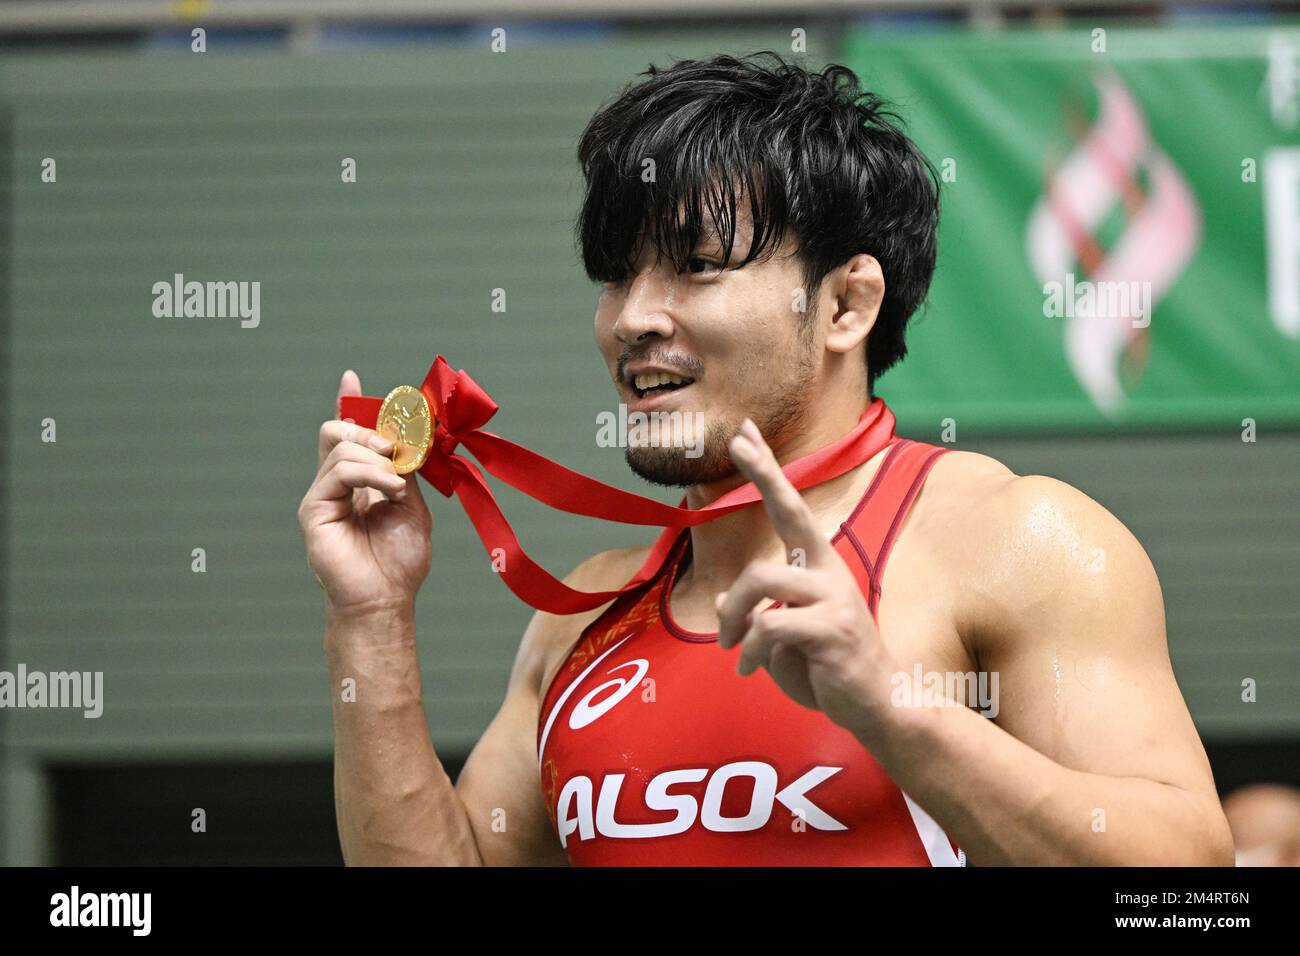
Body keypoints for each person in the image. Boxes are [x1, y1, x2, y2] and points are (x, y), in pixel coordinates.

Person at [298, 52, 1233, 865]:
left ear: (844, 307)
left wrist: (896, 713)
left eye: (696, 265)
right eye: (619, 274)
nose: (631, 318)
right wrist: (370, 621)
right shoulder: (579, 624)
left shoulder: (1024, 546)